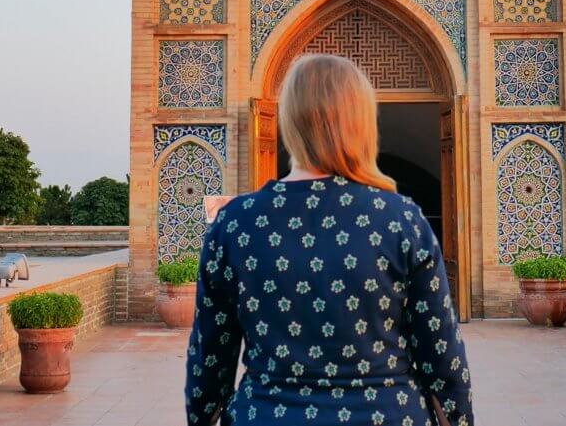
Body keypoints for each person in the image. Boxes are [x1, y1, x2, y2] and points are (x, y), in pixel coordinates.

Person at [185, 54, 473, 425]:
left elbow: (209, 361)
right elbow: (443, 360)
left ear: (289, 119)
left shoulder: (236, 223)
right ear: (361, 121)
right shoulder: (401, 219)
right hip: (386, 414)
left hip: (268, 414)